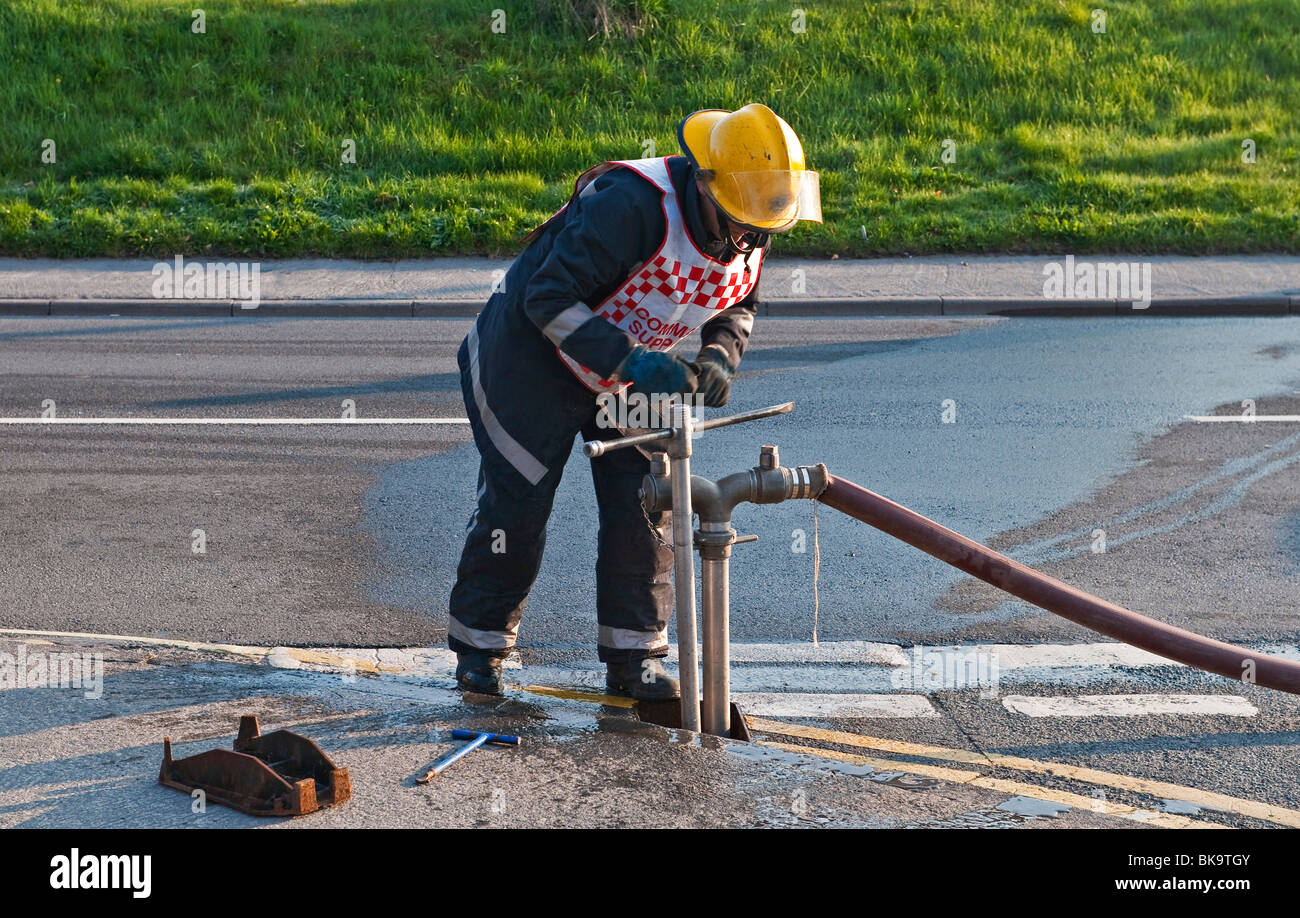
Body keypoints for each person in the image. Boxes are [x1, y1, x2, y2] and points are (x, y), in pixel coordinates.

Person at [449, 103, 822, 697]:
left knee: (648, 504)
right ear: (705, 185)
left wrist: (721, 354)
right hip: (532, 361)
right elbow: (546, 297)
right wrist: (633, 362)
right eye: (744, 224)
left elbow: (738, 301)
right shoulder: (630, 206)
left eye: (765, 228)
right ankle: (480, 650)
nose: (753, 239)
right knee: (516, 509)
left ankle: (634, 659)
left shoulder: (753, 216)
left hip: (633, 374)